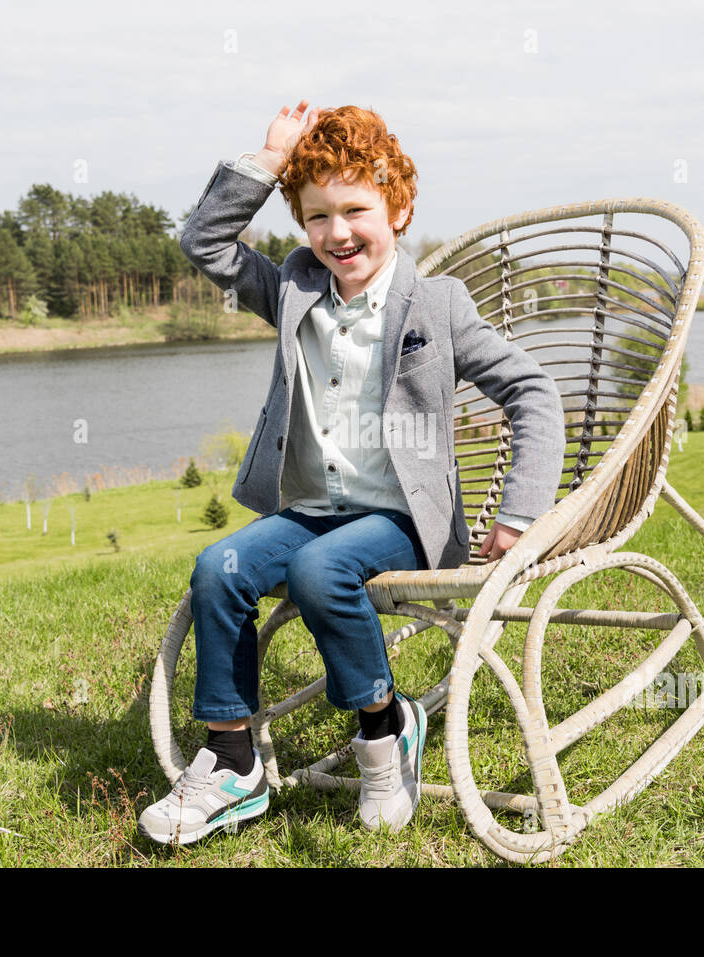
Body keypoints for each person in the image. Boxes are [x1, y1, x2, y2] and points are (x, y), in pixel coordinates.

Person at [138, 101, 566, 846]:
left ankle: (385, 728)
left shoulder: (437, 304)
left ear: (396, 207)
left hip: (399, 520)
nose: (337, 232)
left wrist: (522, 512)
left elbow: (533, 391)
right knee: (220, 565)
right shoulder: (293, 291)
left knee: (319, 570)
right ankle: (232, 761)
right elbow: (202, 240)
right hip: (311, 507)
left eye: (356, 209)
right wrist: (266, 166)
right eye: (316, 217)